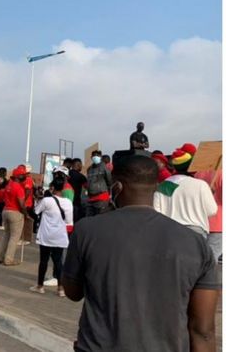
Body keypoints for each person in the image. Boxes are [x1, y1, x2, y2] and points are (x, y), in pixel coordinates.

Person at [62, 154, 219, 351]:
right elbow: (203, 331)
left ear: (116, 187)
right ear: (156, 188)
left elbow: (73, 292)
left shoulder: (87, 230)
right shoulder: (197, 244)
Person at [153, 145, 218, 239]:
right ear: (190, 166)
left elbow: (157, 212)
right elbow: (212, 211)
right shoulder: (201, 184)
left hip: (171, 232)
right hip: (197, 232)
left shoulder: (163, 186)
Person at [29, 176, 73, 296]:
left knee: (43, 261)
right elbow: (69, 220)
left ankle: (40, 286)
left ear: (52, 188)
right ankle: (60, 288)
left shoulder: (47, 201)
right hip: (60, 235)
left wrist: (36, 200)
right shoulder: (68, 203)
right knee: (58, 262)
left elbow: (35, 212)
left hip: (46, 235)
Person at [0, 165, 27, 266]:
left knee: (6, 235)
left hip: (6, 211)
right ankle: (8, 259)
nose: (25, 177)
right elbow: (22, 204)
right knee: (14, 237)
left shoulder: (9, 186)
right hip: (15, 213)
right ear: (19, 176)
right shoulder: (18, 188)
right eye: (23, 175)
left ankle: (1, 257)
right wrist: (26, 214)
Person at [85, 150, 113, 217]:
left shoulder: (104, 167)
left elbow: (109, 181)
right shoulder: (89, 169)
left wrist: (109, 194)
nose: (95, 157)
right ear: (91, 157)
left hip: (101, 198)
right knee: (89, 219)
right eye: (94, 155)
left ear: (100, 157)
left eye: (97, 155)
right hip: (91, 198)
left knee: (100, 219)